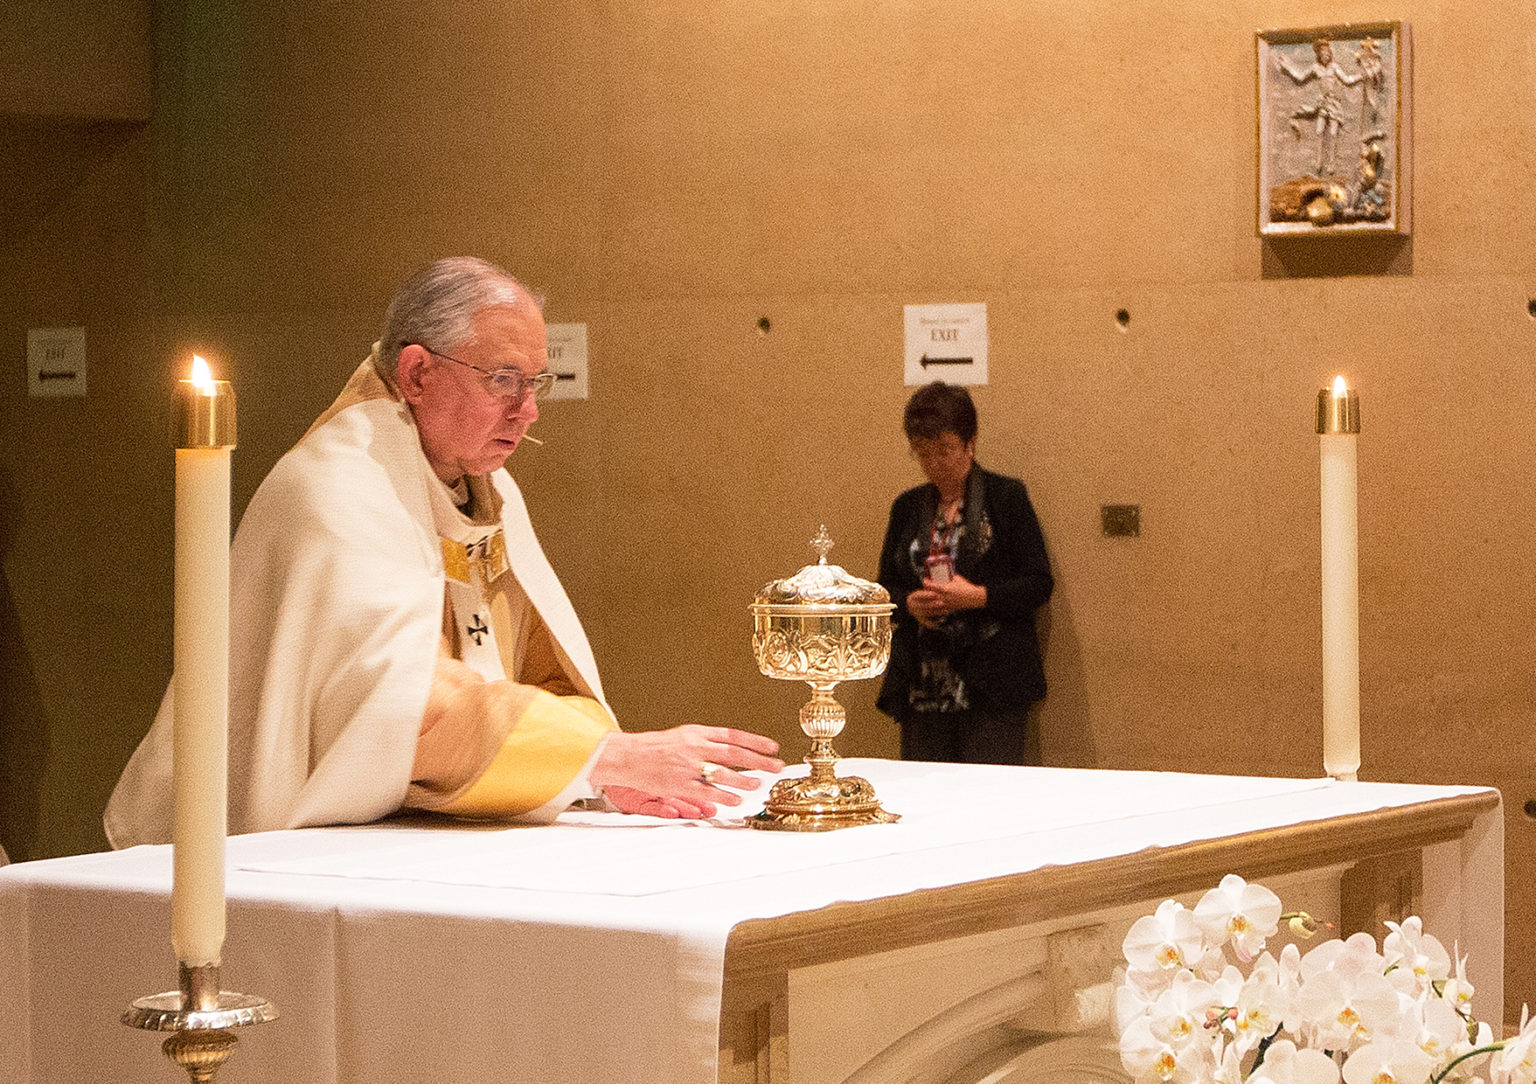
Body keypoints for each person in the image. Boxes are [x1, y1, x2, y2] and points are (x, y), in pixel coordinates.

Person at [105, 257, 782, 847]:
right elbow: (404, 708)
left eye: (536, 382)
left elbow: (542, 678)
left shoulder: (484, 488)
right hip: (261, 855)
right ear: (418, 372)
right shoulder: (340, 486)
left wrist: (588, 775)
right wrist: (607, 756)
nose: (529, 410)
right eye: (504, 379)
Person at [875, 382, 1053, 765]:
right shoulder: (907, 507)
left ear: (970, 443)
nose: (935, 463)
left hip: (993, 681)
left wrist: (977, 597)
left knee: (990, 800)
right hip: (923, 684)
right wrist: (910, 604)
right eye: (923, 452)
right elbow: (882, 590)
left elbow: (1038, 583)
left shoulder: (1006, 498)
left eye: (945, 450)